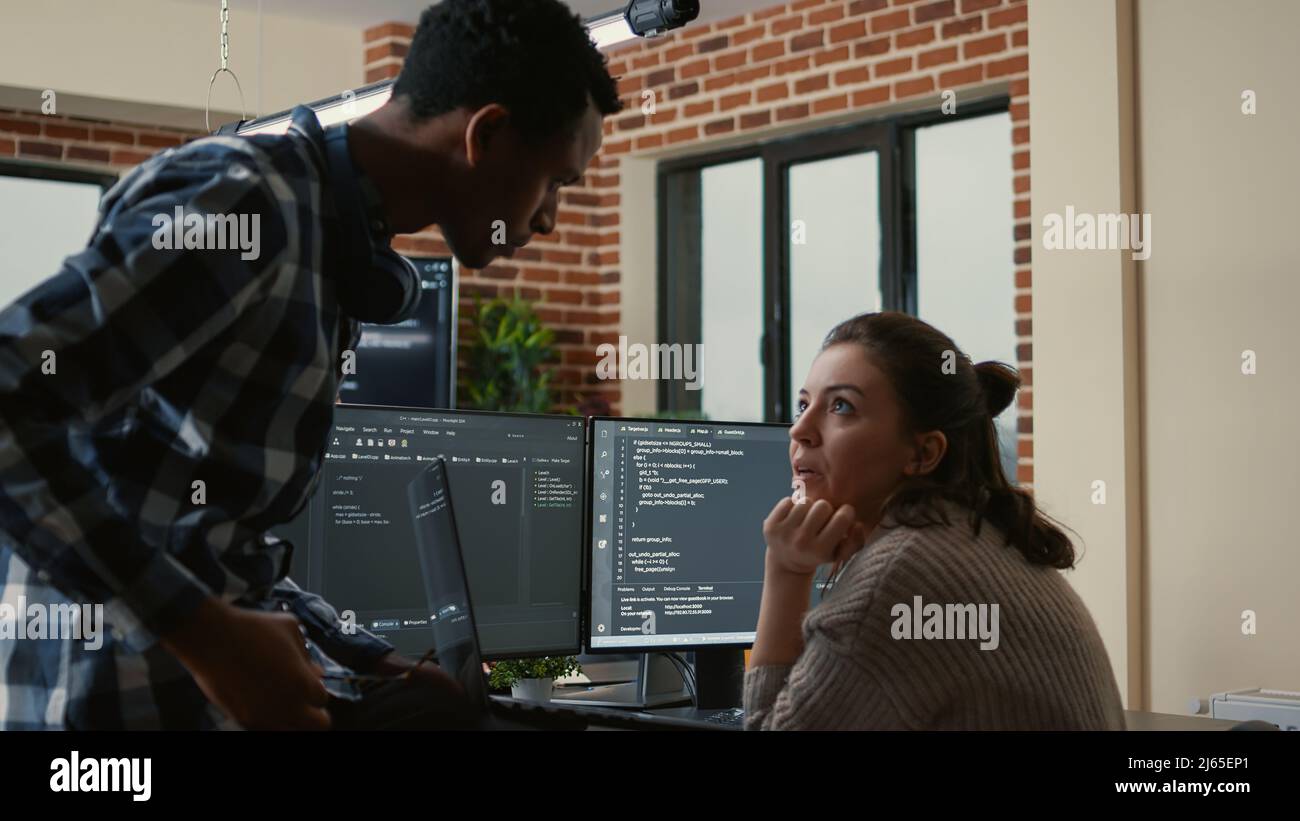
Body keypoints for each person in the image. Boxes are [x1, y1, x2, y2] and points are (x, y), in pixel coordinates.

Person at [0, 0, 622, 730]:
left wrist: (361, 652)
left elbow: (214, 535)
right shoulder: (248, 204)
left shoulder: (333, 243)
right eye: (556, 181)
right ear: (485, 134)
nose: (549, 218)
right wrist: (203, 630)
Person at [746, 312, 1125, 730]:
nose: (800, 429)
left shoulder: (898, 577)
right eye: (804, 404)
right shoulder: (973, 534)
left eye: (841, 406)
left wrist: (786, 569)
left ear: (923, 454)